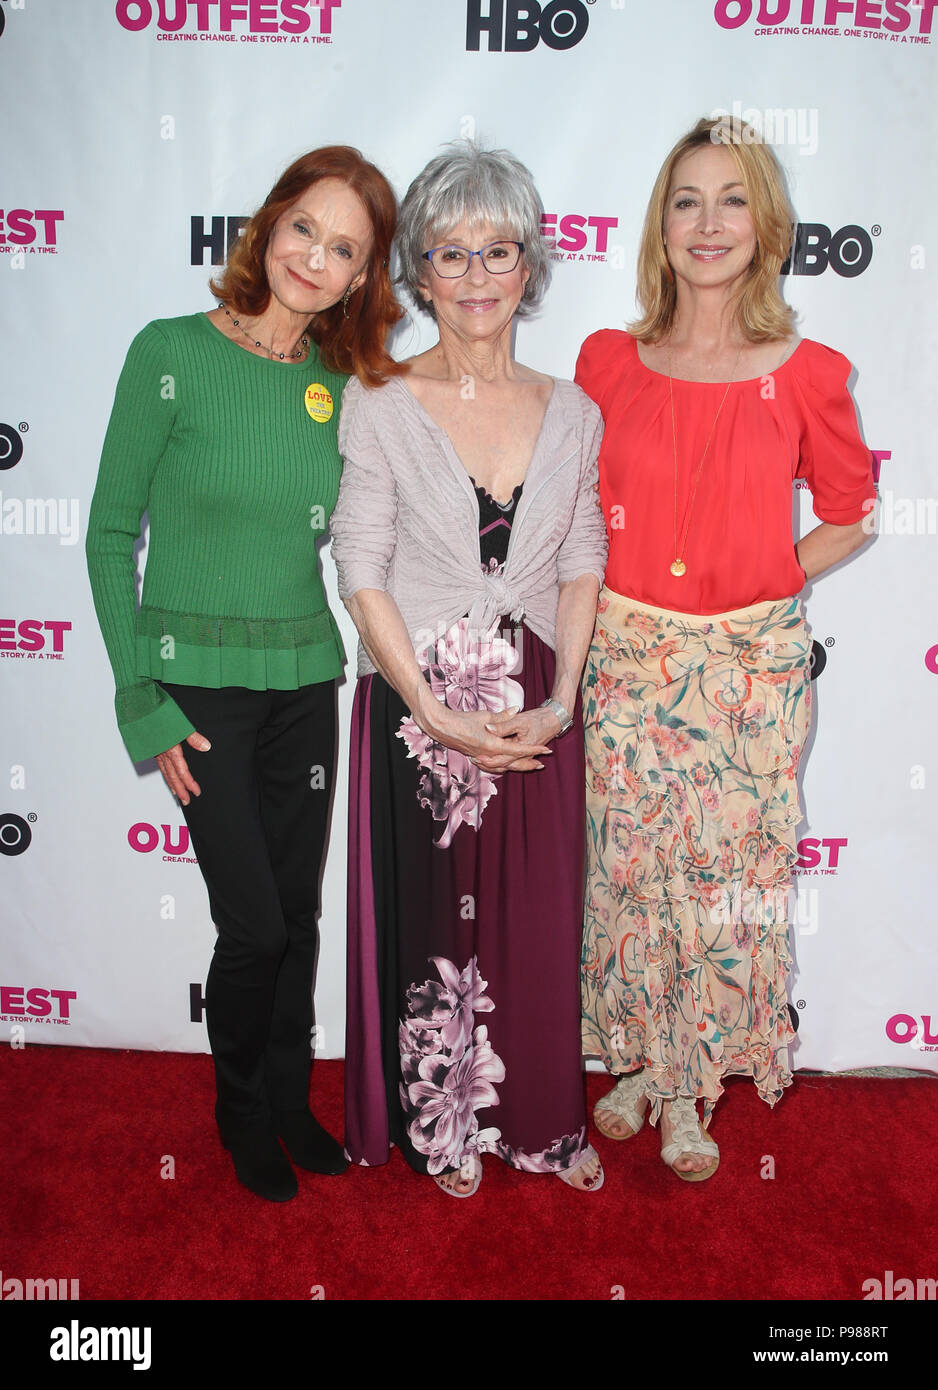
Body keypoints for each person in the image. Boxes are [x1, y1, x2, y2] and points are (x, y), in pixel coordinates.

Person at [86, 146, 404, 1202]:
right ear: (269, 226)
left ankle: (289, 1099)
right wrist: (142, 698)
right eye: (305, 227)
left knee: (299, 916)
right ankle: (238, 1114)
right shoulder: (167, 350)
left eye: (344, 248)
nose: (316, 256)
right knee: (253, 922)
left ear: (362, 277)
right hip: (198, 692)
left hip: (306, 681)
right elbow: (105, 534)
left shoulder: (341, 386)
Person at [576, 116, 874, 1181]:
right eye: (686, 199)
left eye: (731, 198)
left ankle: (691, 1087)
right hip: (622, 662)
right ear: (660, 224)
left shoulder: (807, 370)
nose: (708, 223)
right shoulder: (606, 362)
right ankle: (637, 1064)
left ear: (765, 223)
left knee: (720, 884)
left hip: (746, 675)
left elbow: (848, 511)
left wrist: (762, 581)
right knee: (629, 877)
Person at [330, 142, 607, 1197]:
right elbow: (361, 564)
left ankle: (539, 1121)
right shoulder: (381, 401)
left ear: (528, 266)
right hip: (417, 696)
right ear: (419, 271)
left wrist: (561, 697)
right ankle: (444, 1125)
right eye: (452, 253)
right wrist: (431, 708)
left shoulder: (572, 408)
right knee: (436, 918)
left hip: (540, 690)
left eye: (498, 251)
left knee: (536, 920)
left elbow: (580, 556)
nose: (478, 276)